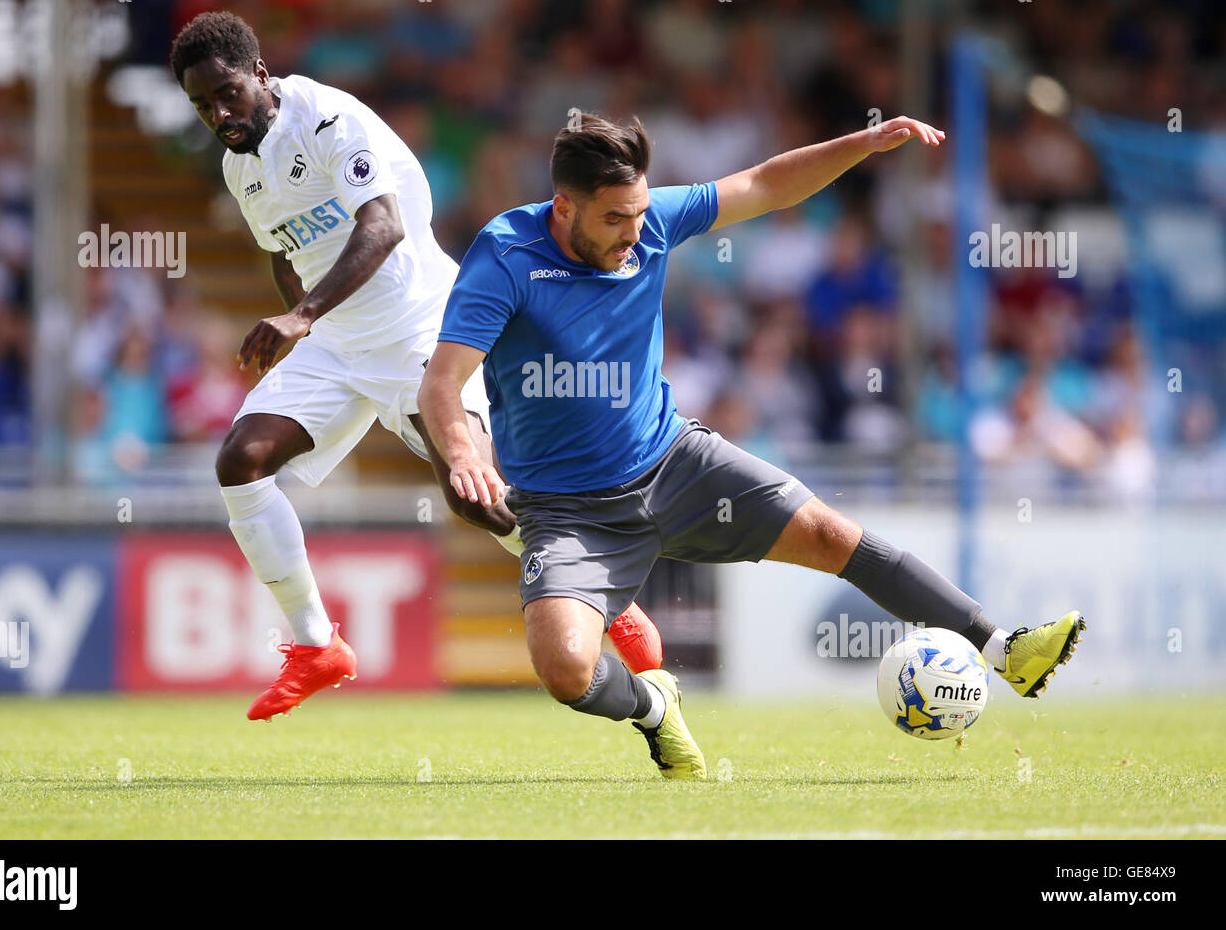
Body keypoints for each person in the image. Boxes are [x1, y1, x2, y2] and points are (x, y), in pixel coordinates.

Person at [417, 111, 1085, 779]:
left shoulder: (651, 222)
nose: (636, 232)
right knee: (566, 670)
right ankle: (654, 705)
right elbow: (442, 382)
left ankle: (1005, 648)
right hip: (567, 510)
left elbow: (767, 184)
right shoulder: (506, 254)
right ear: (564, 207)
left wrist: (861, 143)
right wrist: (466, 452)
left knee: (830, 532)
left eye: (642, 212)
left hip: (673, 463)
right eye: (615, 219)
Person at [169, 14, 662, 721]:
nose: (219, 114)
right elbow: (284, 252)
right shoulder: (237, 164)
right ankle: (317, 646)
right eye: (201, 105)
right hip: (339, 342)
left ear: (260, 74)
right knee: (241, 461)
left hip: (420, 328)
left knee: (475, 497)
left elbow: (383, 225)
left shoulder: (328, 119)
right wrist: (306, 326)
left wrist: (301, 314)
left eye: (227, 93)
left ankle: (607, 596)